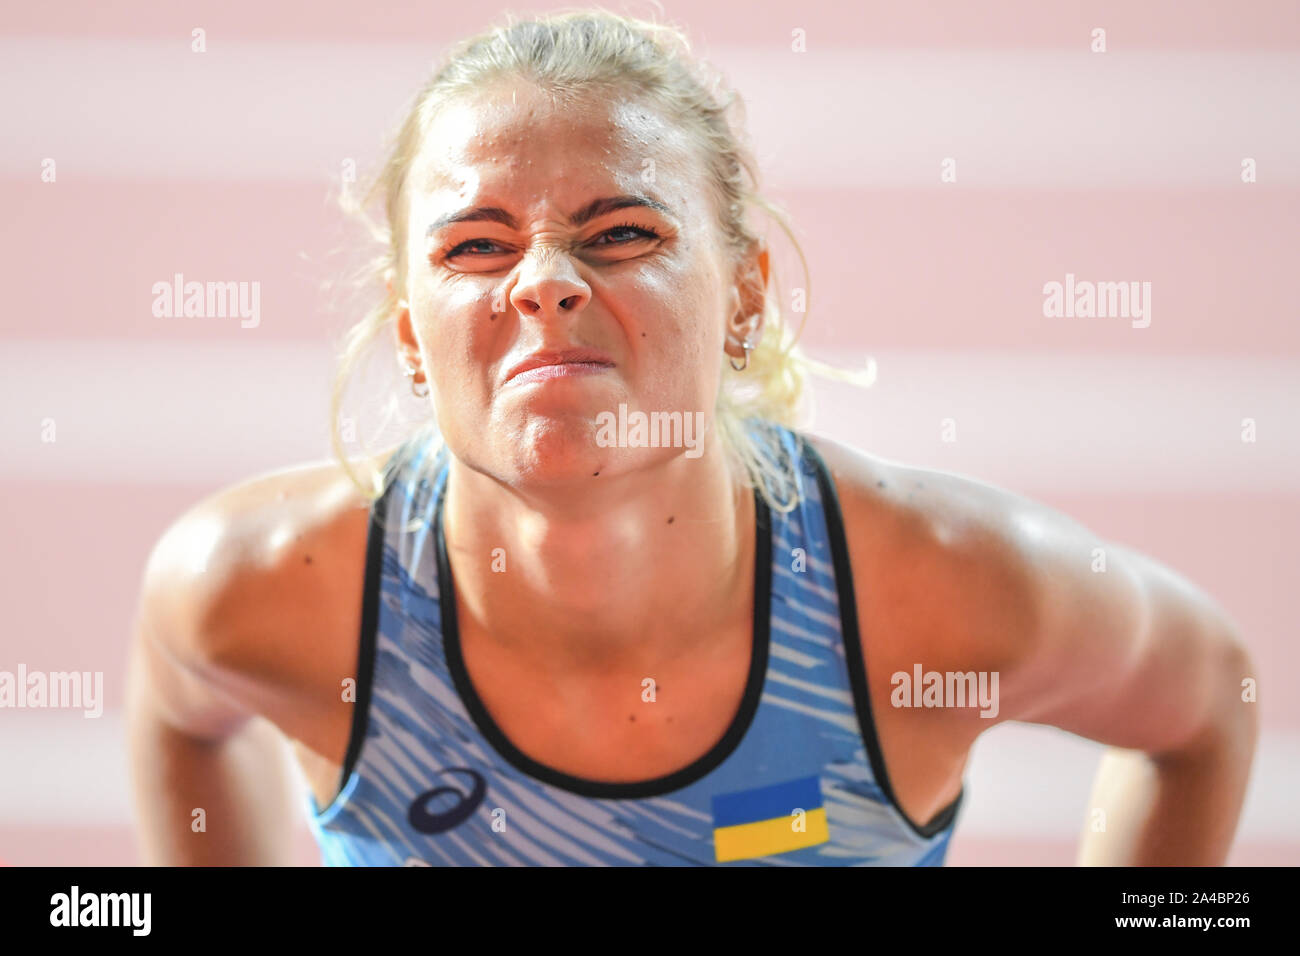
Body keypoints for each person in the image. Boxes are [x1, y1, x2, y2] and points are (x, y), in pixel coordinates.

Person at [126, 10, 1257, 866]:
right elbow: (183, 721)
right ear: (409, 332)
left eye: (620, 231)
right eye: (474, 247)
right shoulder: (268, 593)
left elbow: (1207, 702)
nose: (544, 283)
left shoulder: (931, 596)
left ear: (742, 297)